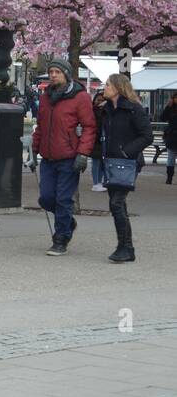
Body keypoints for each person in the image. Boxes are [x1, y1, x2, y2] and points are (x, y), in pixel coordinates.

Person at [31, 58, 96, 256]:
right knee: (46, 198)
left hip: (69, 156)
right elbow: (40, 126)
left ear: (66, 74)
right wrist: (34, 150)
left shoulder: (80, 97)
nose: (53, 75)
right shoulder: (45, 97)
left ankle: (60, 239)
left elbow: (89, 126)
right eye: (51, 72)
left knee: (63, 200)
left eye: (57, 72)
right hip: (48, 157)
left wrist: (83, 153)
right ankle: (67, 222)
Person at [97, 74, 151, 263]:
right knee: (118, 204)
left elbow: (147, 136)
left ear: (118, 88)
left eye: (108, 85)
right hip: (110, 163)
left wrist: (126, 152)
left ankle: (125, 247)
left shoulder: (133, 109)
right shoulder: (106, 110)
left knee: (116, 204)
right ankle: (126, 247)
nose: (105, 87)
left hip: (127, 163)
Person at [88, 90, 108, 192]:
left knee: (103, 162)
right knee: (96, 163)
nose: (99, 102)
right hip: (95, 140)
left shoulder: (107, 111)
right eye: (98, 100)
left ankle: (102, 181)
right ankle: (96, 182)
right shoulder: (92, 111)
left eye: (102, 100)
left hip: (104, 140)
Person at [160, 92, 177, 185]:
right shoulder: (170, 108)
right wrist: (167, 107)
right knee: (171, 158)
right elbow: (162, 118)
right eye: (175, 98)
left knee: (170, 158)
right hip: (172, 137)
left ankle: (169, 178)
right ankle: (169, 177)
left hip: (172, 136)